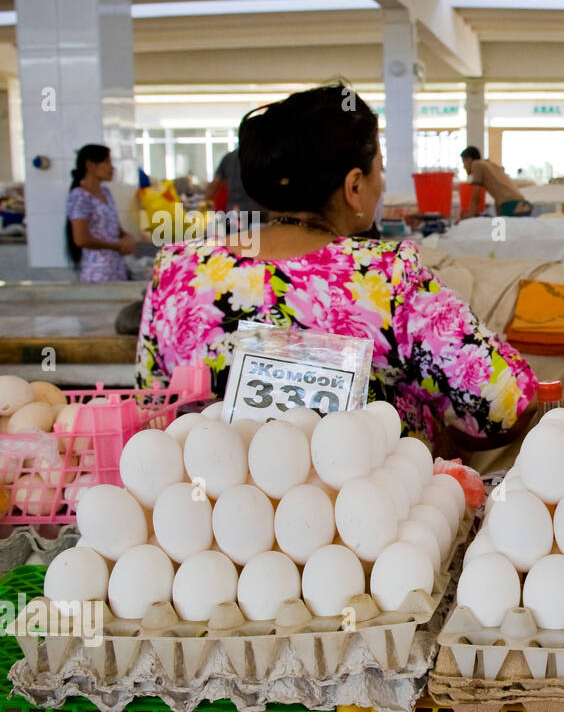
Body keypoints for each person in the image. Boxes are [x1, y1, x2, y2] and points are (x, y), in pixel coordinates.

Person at [136, 83, 537, 458]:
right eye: (379, 168)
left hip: (209, 519)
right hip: (372, 523)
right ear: (354, 186)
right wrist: (438, 440)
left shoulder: (178, 268)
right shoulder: (386, 275)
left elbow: (151, 409)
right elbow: (506, 403)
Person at [66, 144, 135, 282]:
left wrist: (127, 237)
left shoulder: (106, 193)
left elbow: (115, 227)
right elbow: (81, 239)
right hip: (96, 272)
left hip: (116, 269)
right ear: (90, 165)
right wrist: (116, 245)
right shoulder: (80, 196)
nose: (112, 167)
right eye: (107, 162)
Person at [461, 146, 531, 218]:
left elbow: (475, 196)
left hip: (512, 207)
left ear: (468, 159)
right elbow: (499, 193)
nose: (464, 166)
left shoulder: (476, 164)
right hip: (522, 205)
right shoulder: (489, 164)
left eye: (463, 162)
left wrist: (470, 216)